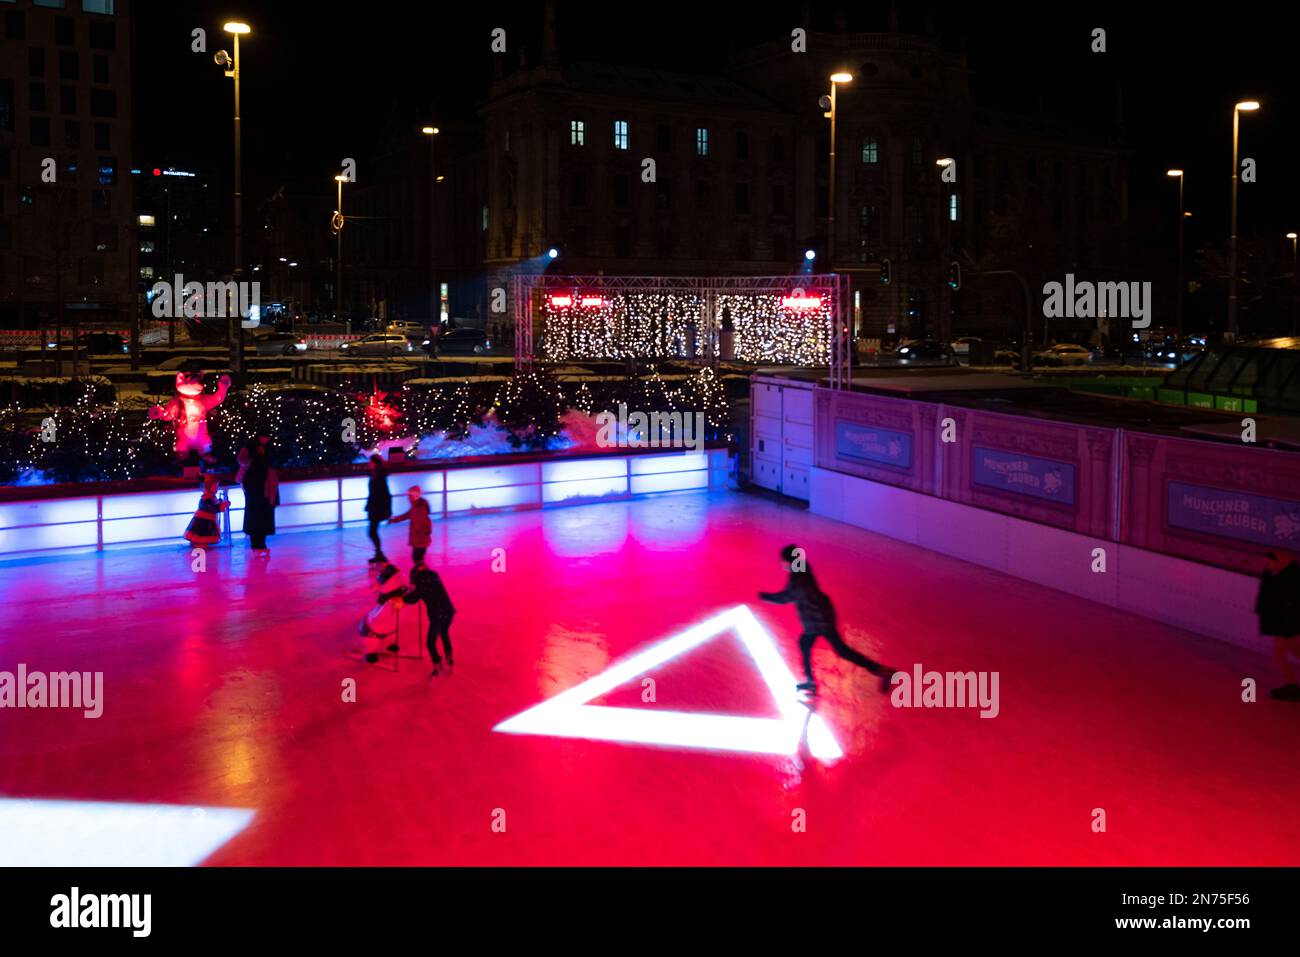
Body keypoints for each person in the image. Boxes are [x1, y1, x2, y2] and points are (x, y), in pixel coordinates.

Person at [759, 543, 893, 696]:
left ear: (790, 562)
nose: (781, 563)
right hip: (819, 616)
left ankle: (881, 671)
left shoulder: (800, 580)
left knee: (840, 651)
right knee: (814, 645)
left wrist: (763, 596)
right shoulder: (800, 570)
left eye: (783, 560)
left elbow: (784, 598)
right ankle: (811, 682)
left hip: (819, 621)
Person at [1256, 550, 1300, 701]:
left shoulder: (1290, 578)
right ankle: (1292, 686)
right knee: (1294, 650)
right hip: (1285, 624)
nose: (1268, 565)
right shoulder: (1277, 574)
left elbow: (1283, 602)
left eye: (1271, 561)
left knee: (1279, 656)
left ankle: (1292, 687)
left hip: (1285, 624)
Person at [405, 561, 456, 676]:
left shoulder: (421, 582)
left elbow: (412, 600)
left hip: (437, 614)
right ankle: (449, 658)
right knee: (444, 632)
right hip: (449, 611)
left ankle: (437, 665)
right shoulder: (434, 575)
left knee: (430, 642)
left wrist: (403, 596)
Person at [358, 564, 408, 663]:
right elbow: (379, 618)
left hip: (389, 628)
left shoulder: (397, 591)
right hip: (372, 633)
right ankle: (370, 652)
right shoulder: (388, 600)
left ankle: (389, 644)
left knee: (391, 628)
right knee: (373, 637)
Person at [238, 436, 279, 554]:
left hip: (256, 489)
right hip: (262, 489)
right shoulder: (258, 453)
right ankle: (259, 544)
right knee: (261, 517)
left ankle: (257, 544)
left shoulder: (252, 451)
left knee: (256, 517)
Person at [389, 485, 432, 565]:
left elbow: (425, 523)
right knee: (418, 559)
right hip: (419, 540)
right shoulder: (416, 506)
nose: (408, 498)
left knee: (417, 559)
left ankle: (423, 575)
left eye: (409, 496)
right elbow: (407, 515)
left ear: (415, 496)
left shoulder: (419, 508)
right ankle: (422, 574)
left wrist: (423, 534)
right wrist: (394, 520)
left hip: (420, 541)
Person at [184, 473, 228, 548]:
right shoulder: (206, 498)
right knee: (201, 531)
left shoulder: (211, 497)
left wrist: (220, 503)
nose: (216, 488)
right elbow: (210, 508)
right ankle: (198, 543)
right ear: (208, 487)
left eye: (217, 486)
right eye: (215, 487)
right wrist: (220, 506)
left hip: (208, 518)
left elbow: (213, 505)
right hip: (203, 519)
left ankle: (201, 542)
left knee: (204, 531)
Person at [365, 455, 391, 564]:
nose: (368, 464)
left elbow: (385, 494)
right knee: (372, 532)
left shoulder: (379, 477)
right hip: (374, 508)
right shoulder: (374, 476)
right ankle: (379, 553)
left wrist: (387, 510)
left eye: (371, 462)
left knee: (372, 532)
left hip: (377, 509)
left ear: (375, 464)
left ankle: (379, 554)